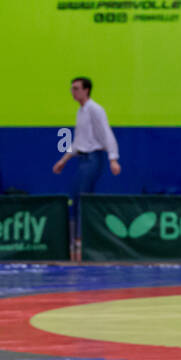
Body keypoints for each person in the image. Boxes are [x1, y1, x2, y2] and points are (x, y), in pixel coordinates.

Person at [52, 76, 120, 247]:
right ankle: (75, 239)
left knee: (83, 197)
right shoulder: (80, 112)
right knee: (75, 197)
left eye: (76, 88)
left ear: (86, 90)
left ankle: (83, 240)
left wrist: (113, 159)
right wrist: (63, 160)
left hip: (93, 158)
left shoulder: (95, 109)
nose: (72, 92)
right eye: (72, 88)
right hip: (82, 160)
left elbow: (106, 133)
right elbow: (77, 142)